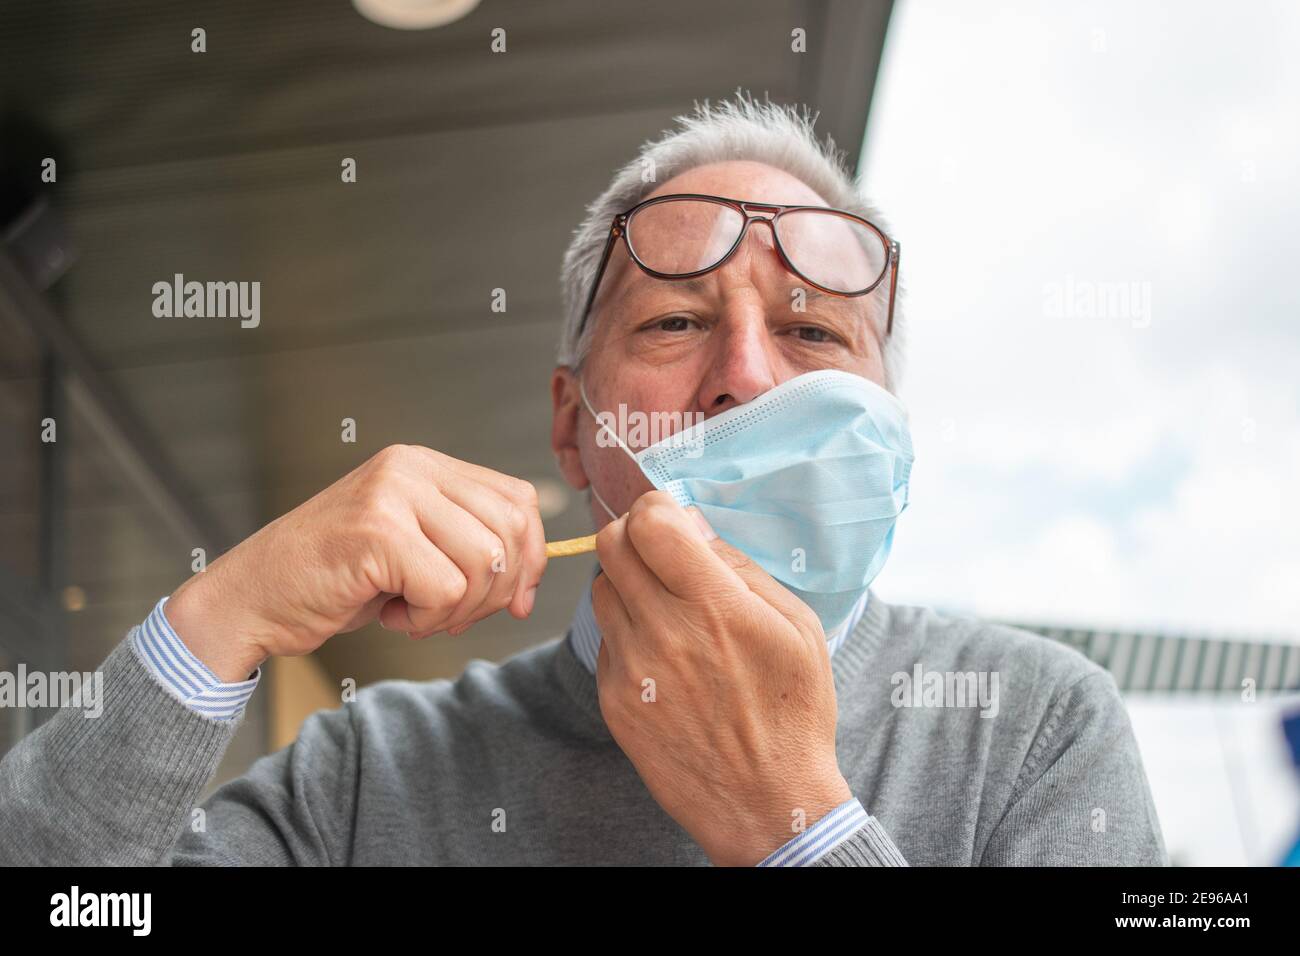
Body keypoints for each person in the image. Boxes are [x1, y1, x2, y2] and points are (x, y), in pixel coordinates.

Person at [0, 93, 1166, 866]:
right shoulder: (365, 778)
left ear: (890, 426)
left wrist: (797, 828)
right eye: (673, 319)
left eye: (815, 336)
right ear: (571, 427)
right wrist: (216, 617)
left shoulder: (1037, 728)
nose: (747, 378)